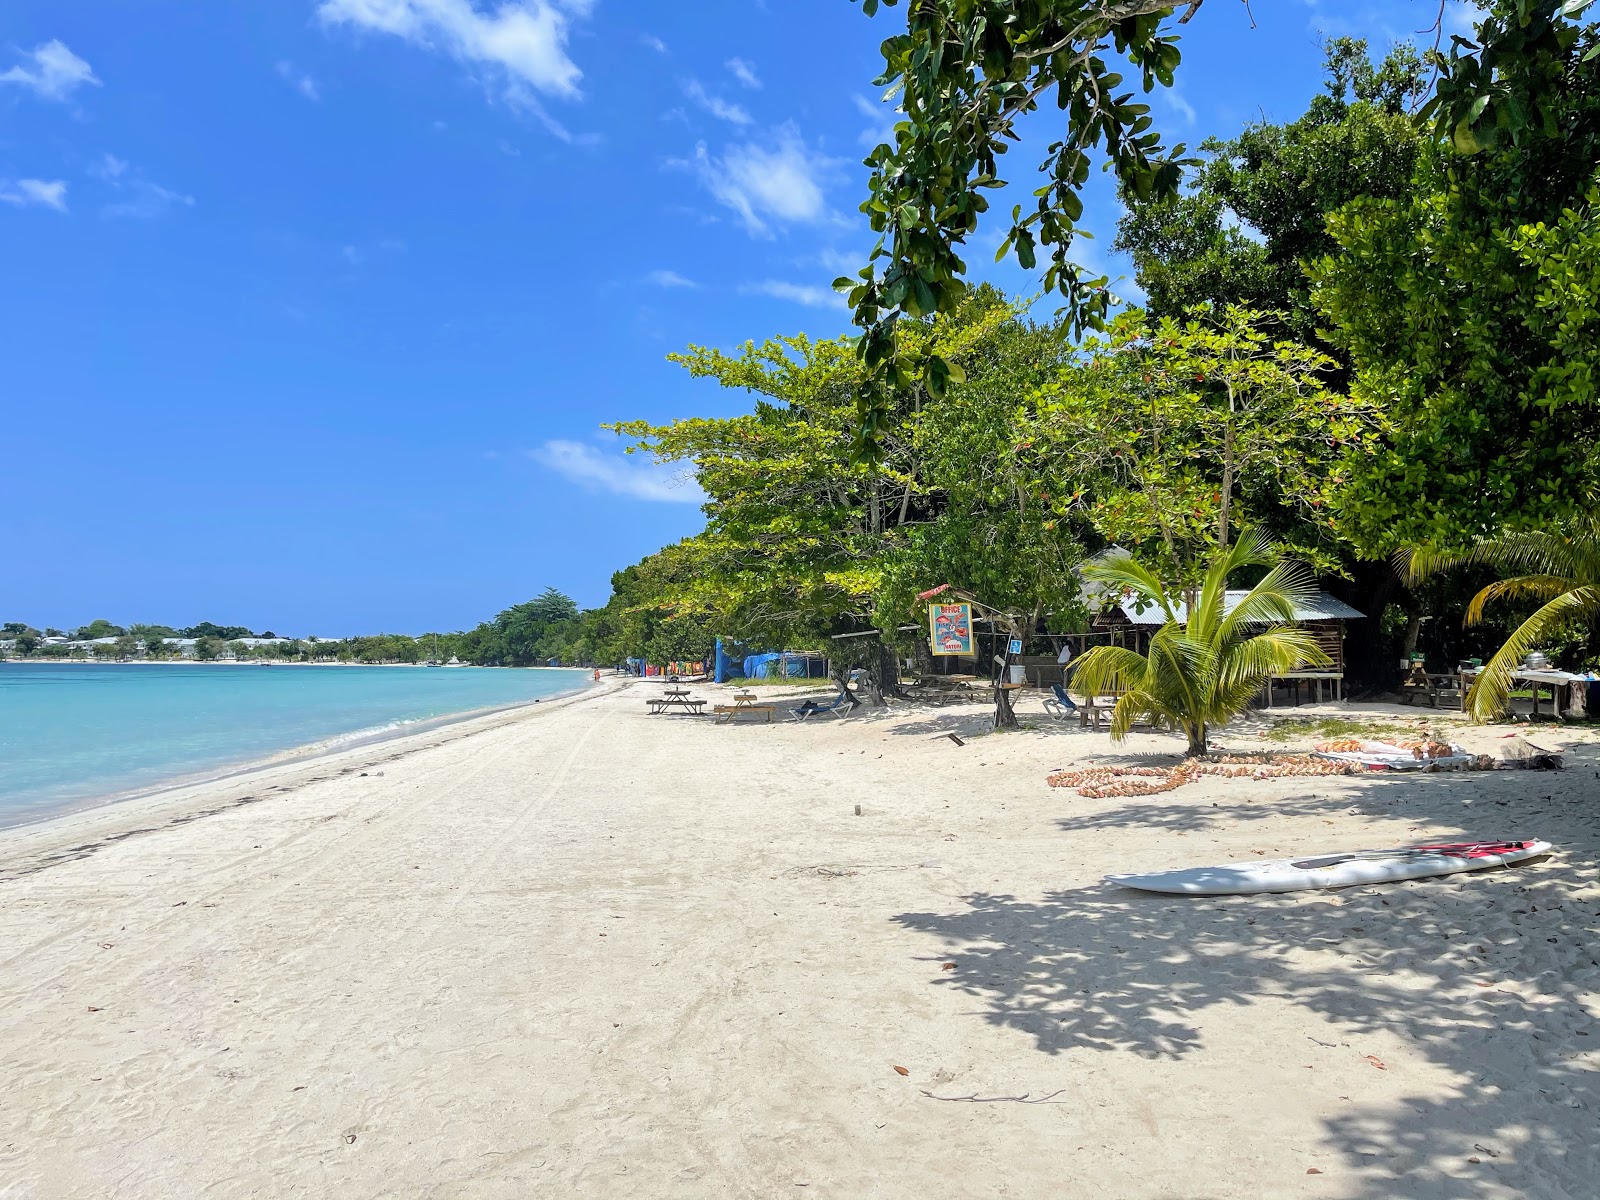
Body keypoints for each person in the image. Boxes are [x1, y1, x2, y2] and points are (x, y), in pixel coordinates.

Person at [1051, 641, 1078, 711]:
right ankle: (1070, 677)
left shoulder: (1064, 648)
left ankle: (1064, 677)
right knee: (1076, 667)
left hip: (1059, 662)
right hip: (1064, 663)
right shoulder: (1070, 648)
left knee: (1067, 668)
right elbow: (1075, 653)